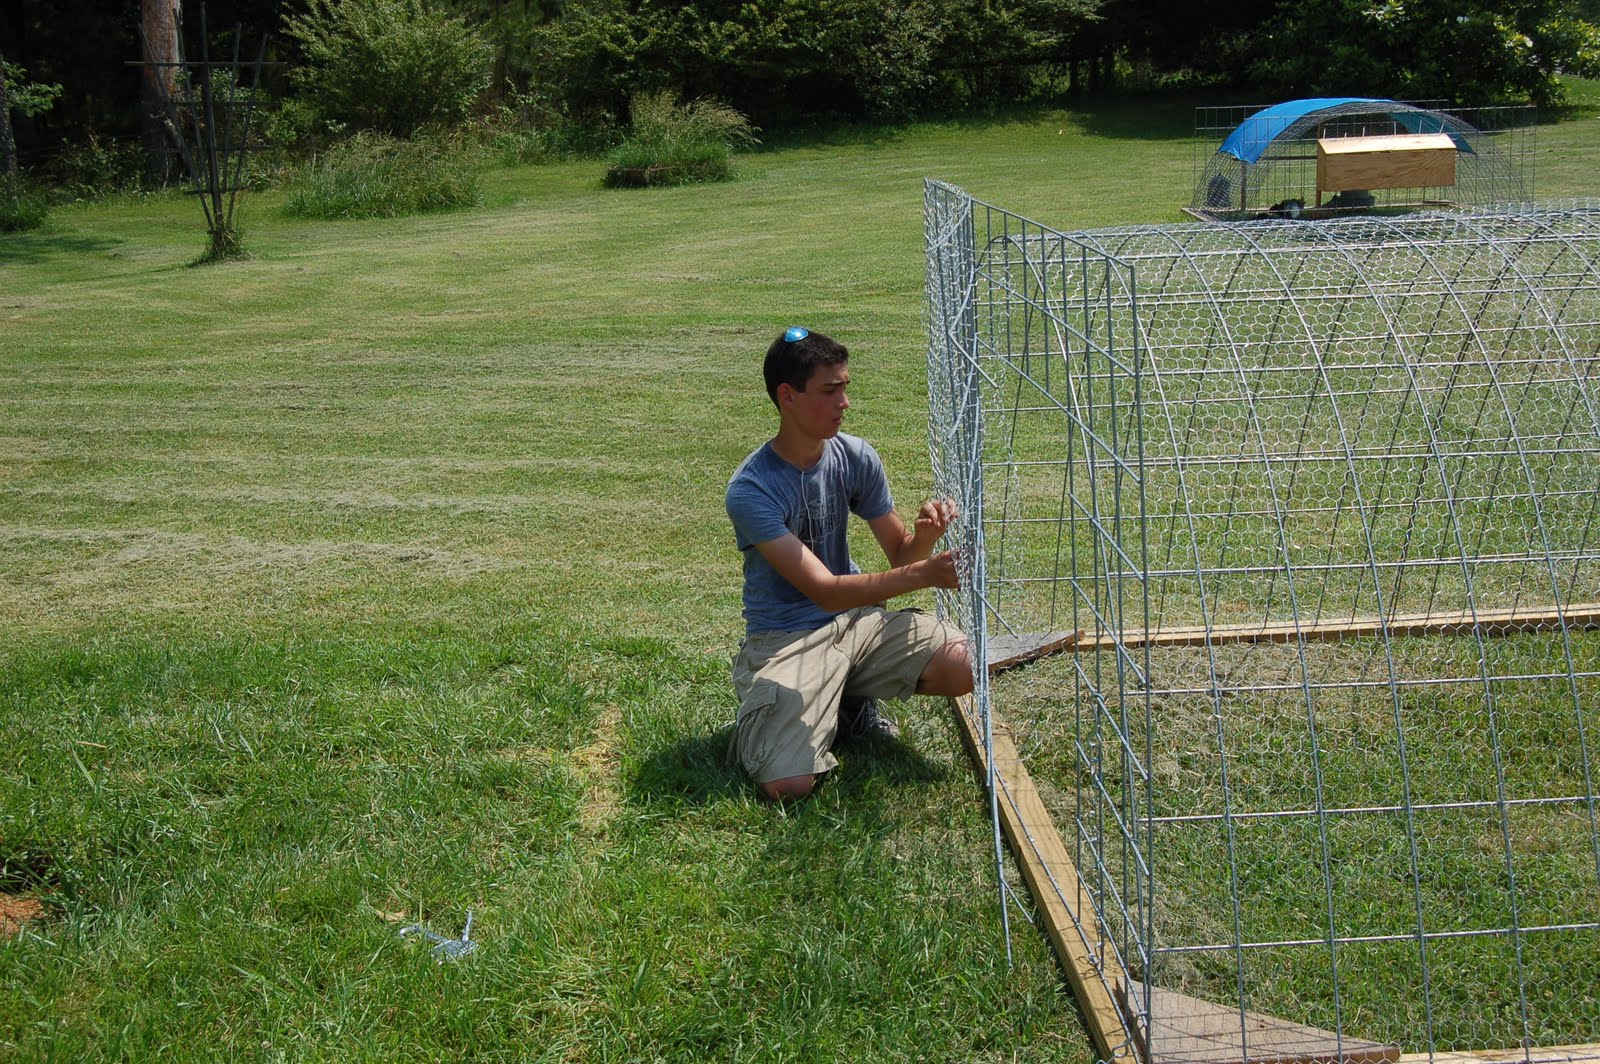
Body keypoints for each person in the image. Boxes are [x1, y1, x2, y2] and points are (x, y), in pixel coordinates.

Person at [724, 326, 974, 801]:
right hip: (787, 639)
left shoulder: (856, 457)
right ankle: (768, 705)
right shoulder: (751, 490)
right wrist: (923, 574)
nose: (845, 402)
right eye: (830, 390)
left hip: (856, 624)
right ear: (787, 396)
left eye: (845, 388)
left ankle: (845, 699)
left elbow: (900, 554)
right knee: (787, 785)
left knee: (966, 667)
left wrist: (923, 537)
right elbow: (824, 590)